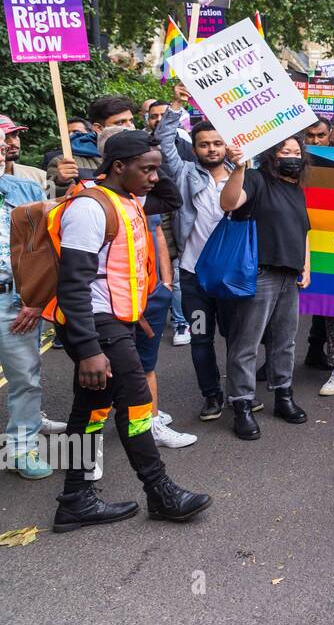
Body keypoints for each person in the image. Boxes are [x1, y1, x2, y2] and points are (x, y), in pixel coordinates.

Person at [44, 130, 210, 531]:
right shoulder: (89, 208)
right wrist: (87, 349)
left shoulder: (128, 198)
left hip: (113, 322)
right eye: (147, 170)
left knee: (88, 411)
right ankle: (160, 492)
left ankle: (74, 500)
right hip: (94, 325)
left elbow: (170, 198)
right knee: (136, 402)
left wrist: (152, 156)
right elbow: (73, 283)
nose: (155, 178)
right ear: (118, 167)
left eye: (156, 169)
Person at [220, 136, 312, 439]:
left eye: (297, 152)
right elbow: (229, 203)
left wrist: (306, 265)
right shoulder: (257, 180)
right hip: (259, 274)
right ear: (272, 155)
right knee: (246, 343)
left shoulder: (296, 190)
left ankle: (283, 395)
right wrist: (238, 168)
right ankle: (242, 404)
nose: (292, 156)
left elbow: (304, 230)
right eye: (286, 151)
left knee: (285, 341)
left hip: (290, 275)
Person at [157, 100, 238, 422]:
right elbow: (163, 141)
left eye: (218, 143)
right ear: (195, 147)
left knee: (236, 339)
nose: (212, 149)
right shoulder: (184, 172)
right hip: (193, 279)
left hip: (232, 278)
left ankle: (238, 393)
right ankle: (211, 396)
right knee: (201, 339)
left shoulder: (242, 175)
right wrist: (174, 110)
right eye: (204, 144)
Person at [1, 155, 74, 479]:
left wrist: (35, 296)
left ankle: (20, 448)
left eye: (0, 149)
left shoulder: (23, 189)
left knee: (24, 378)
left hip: (14, 301)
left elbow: (49, 234)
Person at [49, 95, 135, 195]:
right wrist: (60, 182)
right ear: (98, 128)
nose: (130, 127)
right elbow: (49, 199)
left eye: (131, 121)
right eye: (120, 123)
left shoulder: (143, 155)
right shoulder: (66, 162)